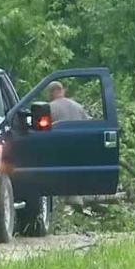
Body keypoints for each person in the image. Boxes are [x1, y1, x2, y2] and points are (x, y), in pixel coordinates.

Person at [45, 81, 92, 213]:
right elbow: (89, 124)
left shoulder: (49, 108)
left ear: (51, 92)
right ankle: (77, 199)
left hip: (59, 147)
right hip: (79, 146)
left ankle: (62, 204)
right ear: (62, 91)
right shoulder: (78, 106)